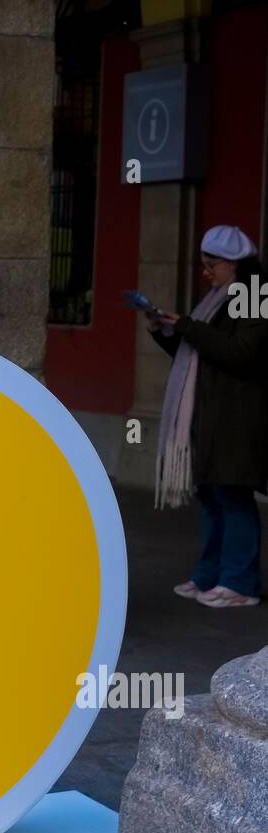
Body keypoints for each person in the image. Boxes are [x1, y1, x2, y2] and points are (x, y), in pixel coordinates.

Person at [149, 225, 268, 609]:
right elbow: (197, 355)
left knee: (232, 493)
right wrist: (166, 333)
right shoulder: (218, 298)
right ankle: (209, 575)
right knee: (213, 495)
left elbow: (241, 352)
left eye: (211, 264)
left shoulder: (254, 296)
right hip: (211, 412)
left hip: (239, 414)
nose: (206, 272)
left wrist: (186, 326)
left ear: (234, 263)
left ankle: (240, 583)